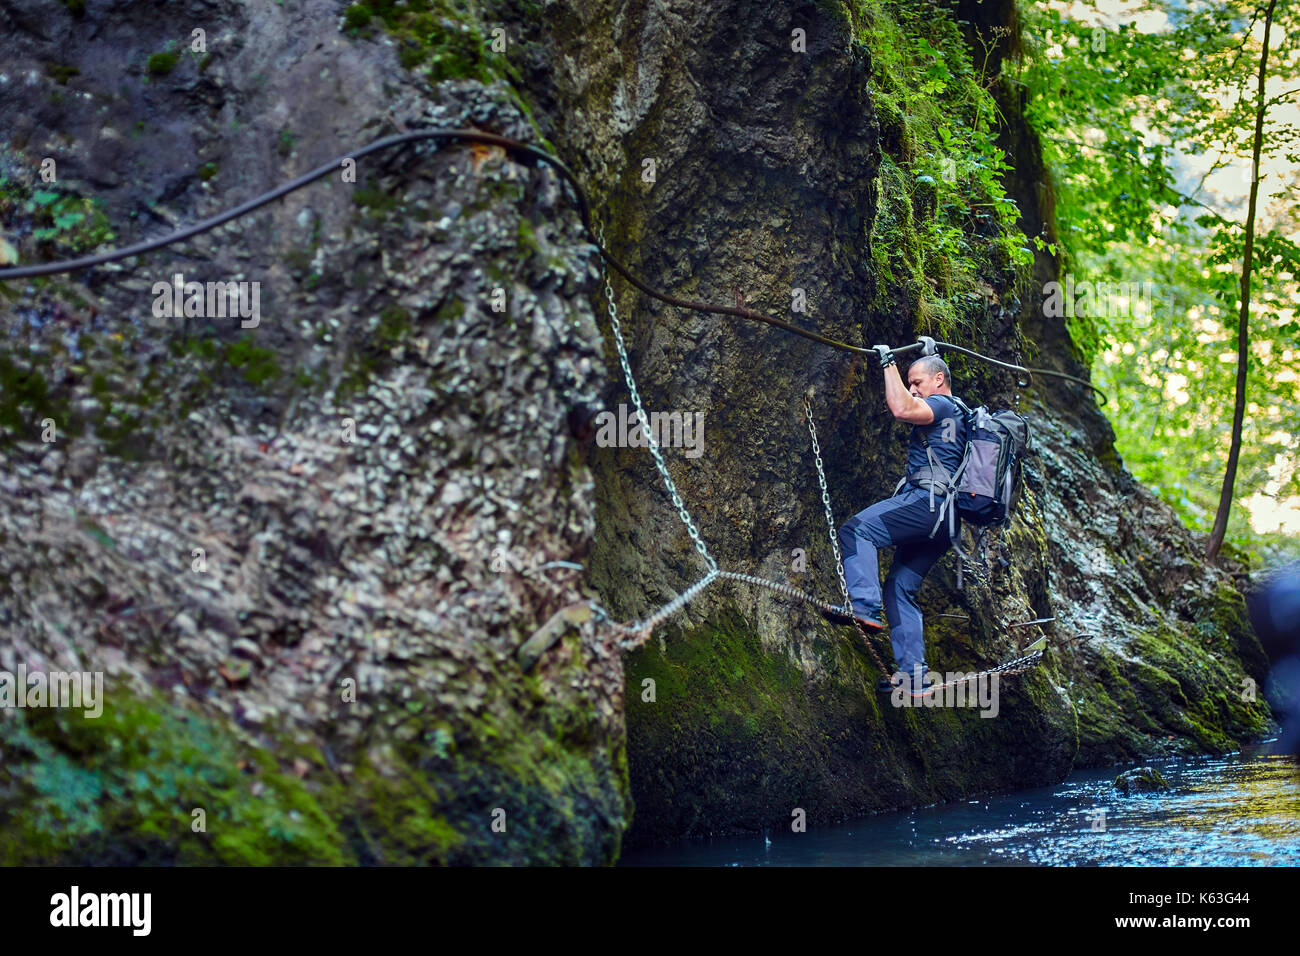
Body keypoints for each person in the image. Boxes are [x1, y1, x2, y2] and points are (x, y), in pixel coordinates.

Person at [835, 346, 968, 695]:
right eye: (910, 383)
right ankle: (914, 675)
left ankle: (863, 607)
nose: (912, 389)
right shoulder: (962, 414)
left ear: (939, 380)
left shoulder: (941, 404)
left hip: (928, 504)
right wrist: (929, 352)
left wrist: (888, 363)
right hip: (946, 523)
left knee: (857, 530)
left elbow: (901, 409)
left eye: (917, 381)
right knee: (898, 588)